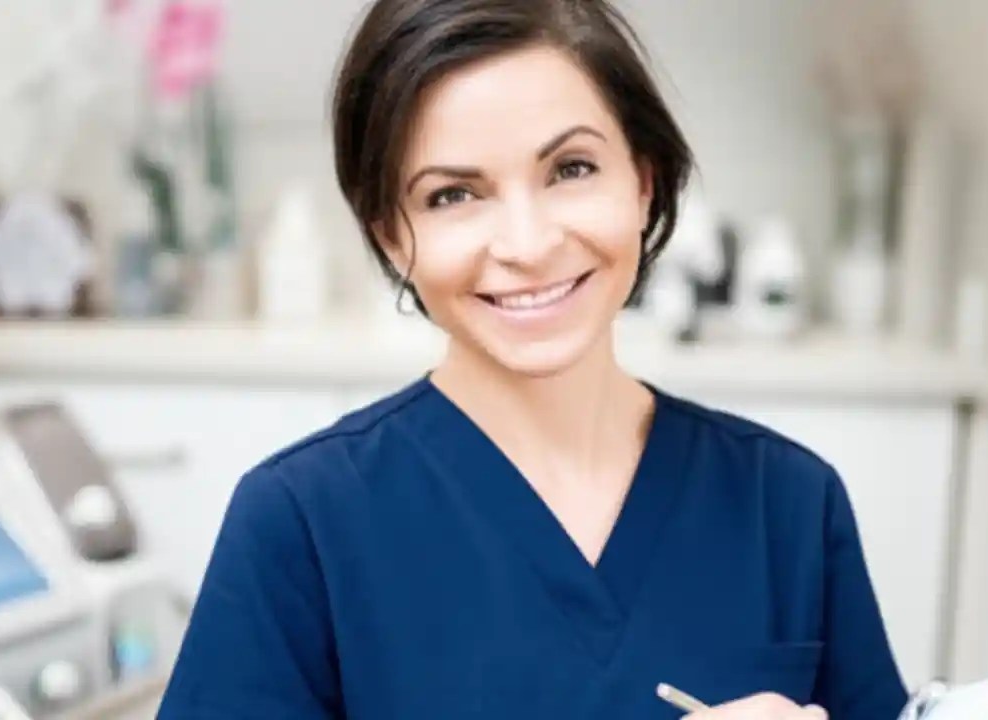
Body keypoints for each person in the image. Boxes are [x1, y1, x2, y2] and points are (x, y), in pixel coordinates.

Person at [157, 0, 908, 717]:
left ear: (643, 181)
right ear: (390, 234)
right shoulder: (301, 524)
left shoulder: (788, 505)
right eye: (453, 195)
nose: (528, 243)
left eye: (571, 169)